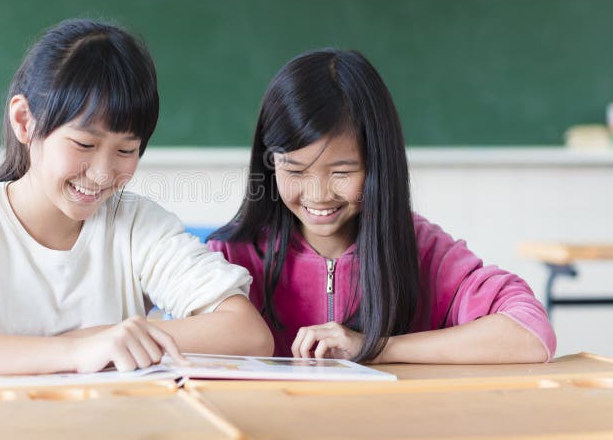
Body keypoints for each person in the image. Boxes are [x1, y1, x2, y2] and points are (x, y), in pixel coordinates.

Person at [0, 19, 273, 381]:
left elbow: (248, 334)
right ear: (25, 122)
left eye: (125, 151)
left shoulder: (136, 226)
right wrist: (76, 351)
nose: (101, 173)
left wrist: (102, 339)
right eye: (84, 143)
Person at [208, 49, 555, 363]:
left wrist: (374, 346)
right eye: (295, 170)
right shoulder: (232, 255)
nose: (318, 194)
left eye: (342, 172)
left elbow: (530, 334)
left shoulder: (422, 251)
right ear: (270, 163)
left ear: (377, 163)